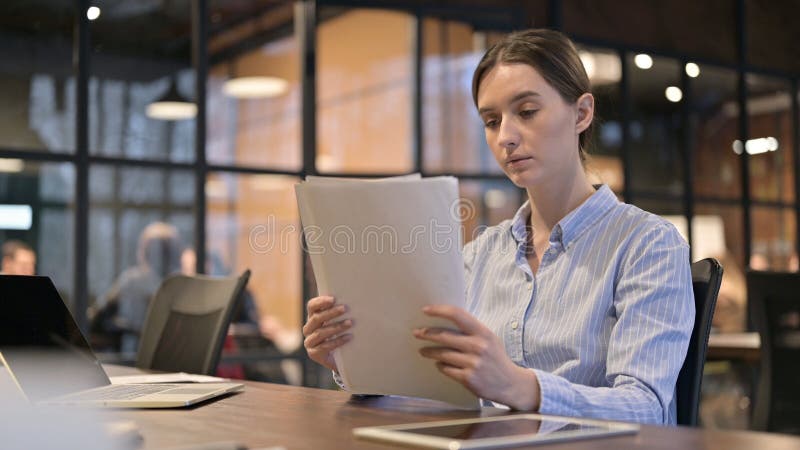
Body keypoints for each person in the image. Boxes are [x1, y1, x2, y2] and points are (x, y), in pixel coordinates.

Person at [302, 29, 694, 425]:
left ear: (581, 113)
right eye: (491, 121)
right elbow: (429, 384)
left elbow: (646, 407)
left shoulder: (647, 245)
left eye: (526, 112)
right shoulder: (479, 254)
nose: (505, 137)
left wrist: (519, 387)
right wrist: (353, 360)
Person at [94, 222, 183, 353]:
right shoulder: (183, 286)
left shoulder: (132, 280)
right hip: (172, 357)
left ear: (145, 251)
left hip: (132, 354)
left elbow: (99, 311)